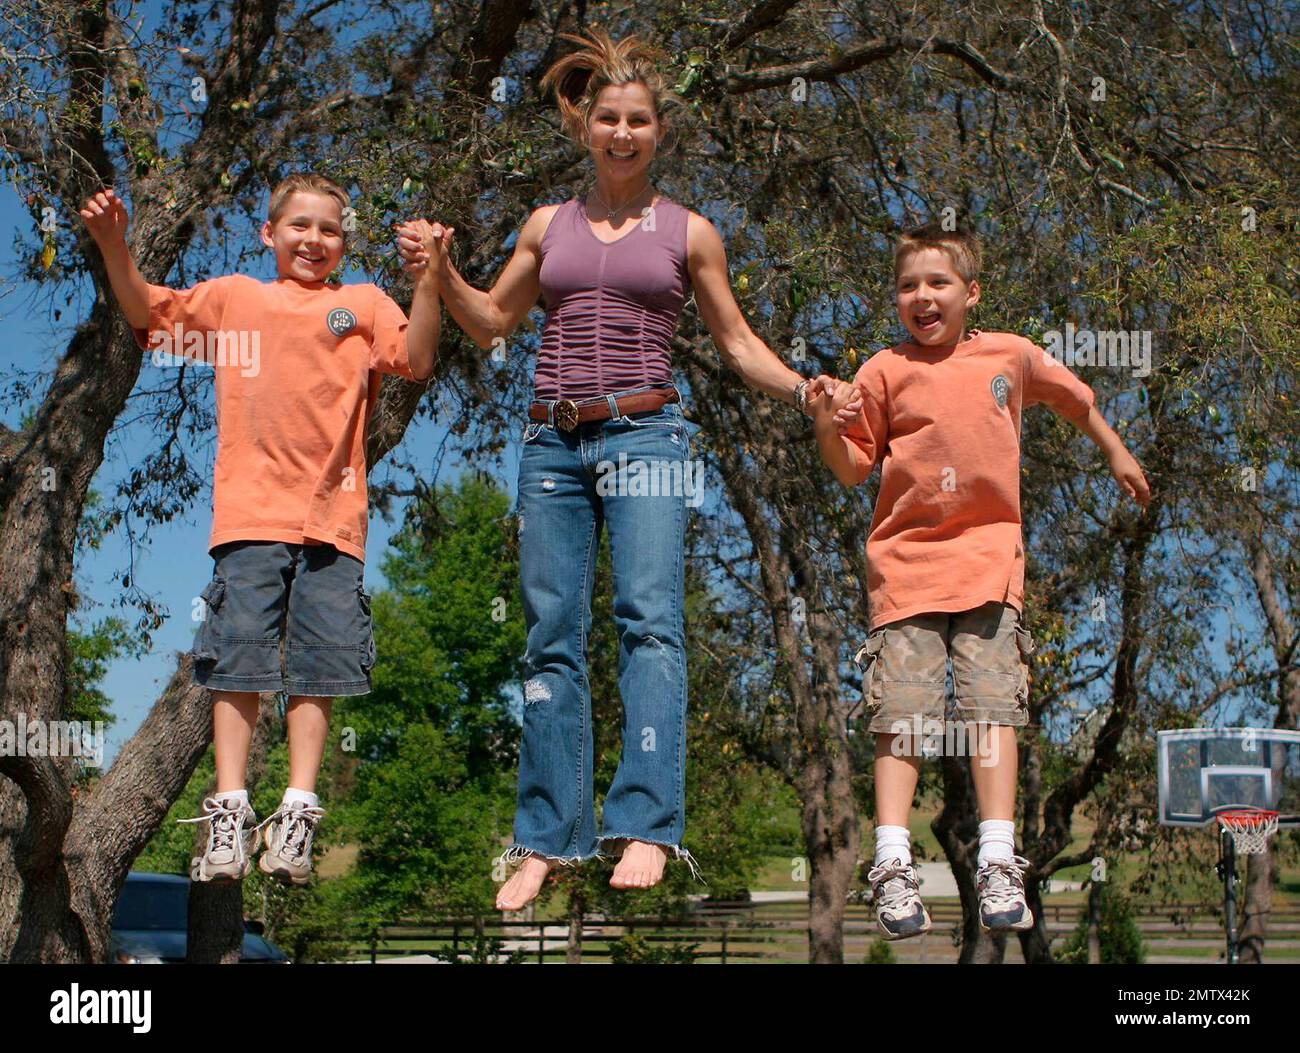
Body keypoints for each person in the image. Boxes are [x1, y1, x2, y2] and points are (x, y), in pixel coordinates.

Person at [399, 29, 838, 911]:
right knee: (548, 637)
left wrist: (806, 391)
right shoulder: (545, 226)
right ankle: (547, 836)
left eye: (639, 120)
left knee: (648, 623)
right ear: (585, 126)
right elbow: (490, 324)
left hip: (649, 436)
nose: (623, 132)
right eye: (609, 118)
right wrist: (442, 272)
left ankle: (646, 821)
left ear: (658, 133)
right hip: (551, 441)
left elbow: (738, 343)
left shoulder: (689, 232)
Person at [79, 172, 441, 884]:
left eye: (329, 229)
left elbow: (419, 357)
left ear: (345, 242)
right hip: (249, 513)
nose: (313, 239)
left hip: (333, 520)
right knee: (237, 655)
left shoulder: (362, 304)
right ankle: (229, 810)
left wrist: (429, 279)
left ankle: (298, 811)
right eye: (299, 226)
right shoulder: (235, 299)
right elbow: (149, 313)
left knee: (324, 663)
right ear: (268, 235)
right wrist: (113, 243)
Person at [811, 221, 1150, 938]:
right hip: (906, 569)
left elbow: (1074, 397)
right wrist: (821, 423)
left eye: (938, 283)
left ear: (972, 293)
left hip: (990, 563)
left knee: (993, 704)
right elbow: (849, 467)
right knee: (902, 710)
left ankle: (1000, 858)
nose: (922, 296)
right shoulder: (883, 370)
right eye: (908, 285)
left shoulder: (1011, 356)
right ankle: (893, 862)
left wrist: (1116, 451)